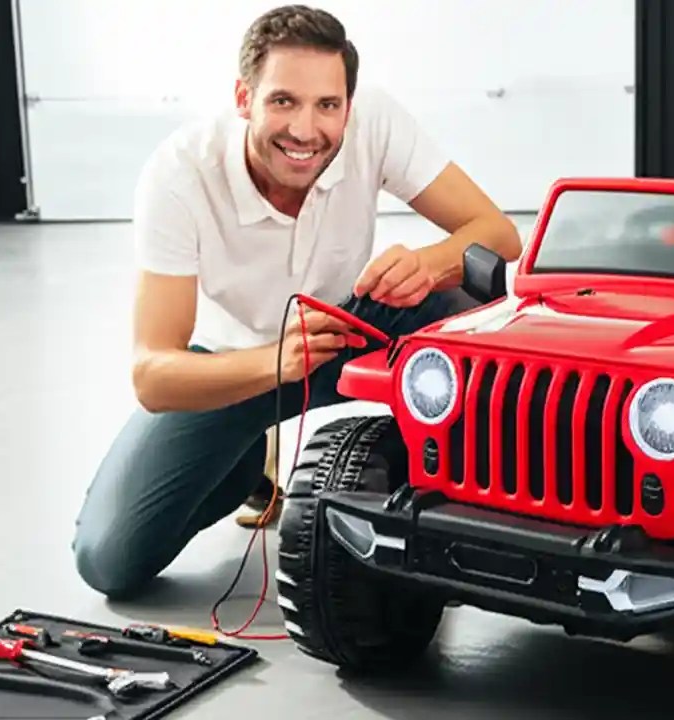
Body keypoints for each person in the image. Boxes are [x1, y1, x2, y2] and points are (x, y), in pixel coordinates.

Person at [72, 4, 522, 599]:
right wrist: (275, 364)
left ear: (348, 106)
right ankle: (245, 463)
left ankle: (464, 500)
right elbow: (153, 375)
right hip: (235, 365)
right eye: (283, 101)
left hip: (353, 323)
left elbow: (497, 233)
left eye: (327, 106)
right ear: (244, 98)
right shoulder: (178, 175)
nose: (306, 130)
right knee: (109, 561)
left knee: (470, 305)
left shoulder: (374, 121)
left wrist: (426, 264)